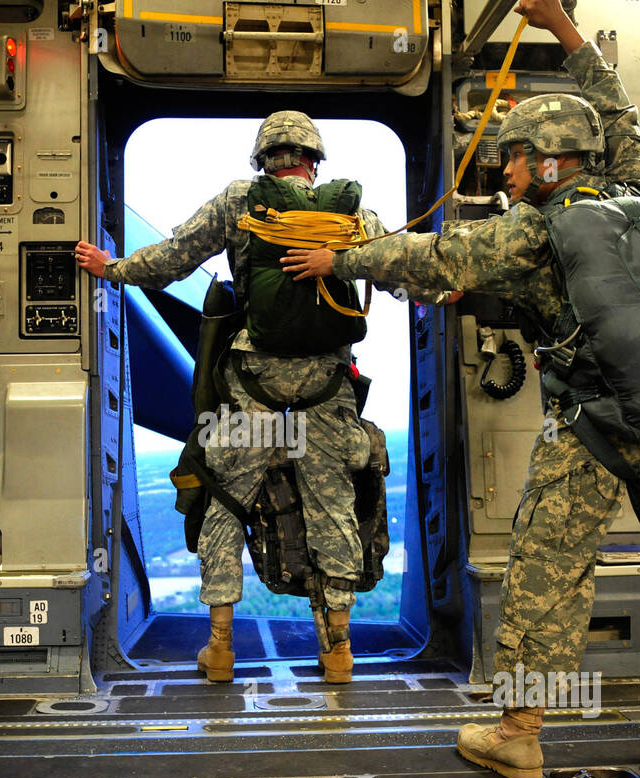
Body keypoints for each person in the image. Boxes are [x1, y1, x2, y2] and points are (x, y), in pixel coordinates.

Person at [283, 0, 640, 778]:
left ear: (547, 161)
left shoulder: (532, 230)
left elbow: (430, 261)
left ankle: (520, 729)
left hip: (592, 432)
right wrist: (565, 31)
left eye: (511, 157)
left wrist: (336, 263)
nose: (503, 170)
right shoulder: (638, 186)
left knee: (547, 573)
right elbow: (615, 109)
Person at [75, 111, 431, 683]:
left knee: (226, 498)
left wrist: (109, 266)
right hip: (325, 386)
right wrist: (447, 288)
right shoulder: (350, 215)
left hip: (254, 385)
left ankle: (220, 649)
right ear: (315, 161)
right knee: (332, 507)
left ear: (263, 159)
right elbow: (400, 270)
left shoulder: (239, 202)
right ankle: (337, 651)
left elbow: (171, 260)